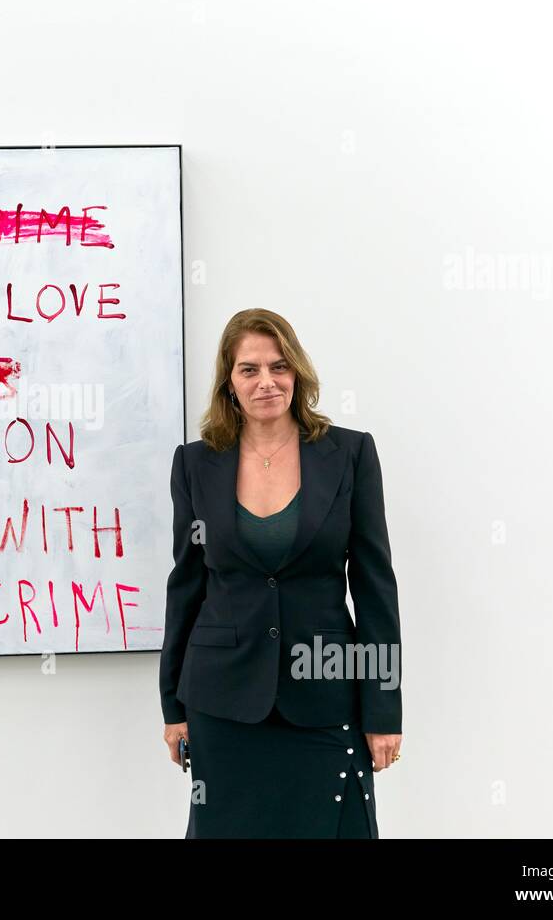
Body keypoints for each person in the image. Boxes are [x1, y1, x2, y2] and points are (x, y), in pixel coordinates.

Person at [159, 308, 403, 838]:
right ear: (229, 382)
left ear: (297, 372)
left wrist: (384, 711)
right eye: (249, 369)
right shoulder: (195, 464)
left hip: (324, 695)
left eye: (279, 366)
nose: (266, 381)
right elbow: (186, 587)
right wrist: (172, 705)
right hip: (222, 703)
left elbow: (375, 588)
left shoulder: (350, 453)